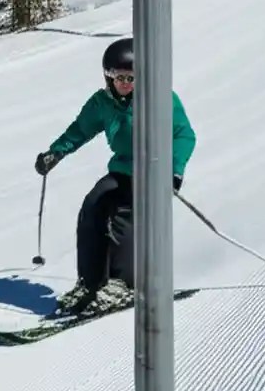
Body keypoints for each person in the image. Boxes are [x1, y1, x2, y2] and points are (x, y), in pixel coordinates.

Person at [34, 37, 197, 317]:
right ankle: (91, 283)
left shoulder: (160, 99)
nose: (124, 83)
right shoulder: (102, 103)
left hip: (152, 173)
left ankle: (123, 284)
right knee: (93, 206)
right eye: (118, 77)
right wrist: (55, 153)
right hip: (122, 169)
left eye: (131, 77)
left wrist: (174, 170)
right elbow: (80, 130)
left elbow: (184, 134)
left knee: (124, 214)